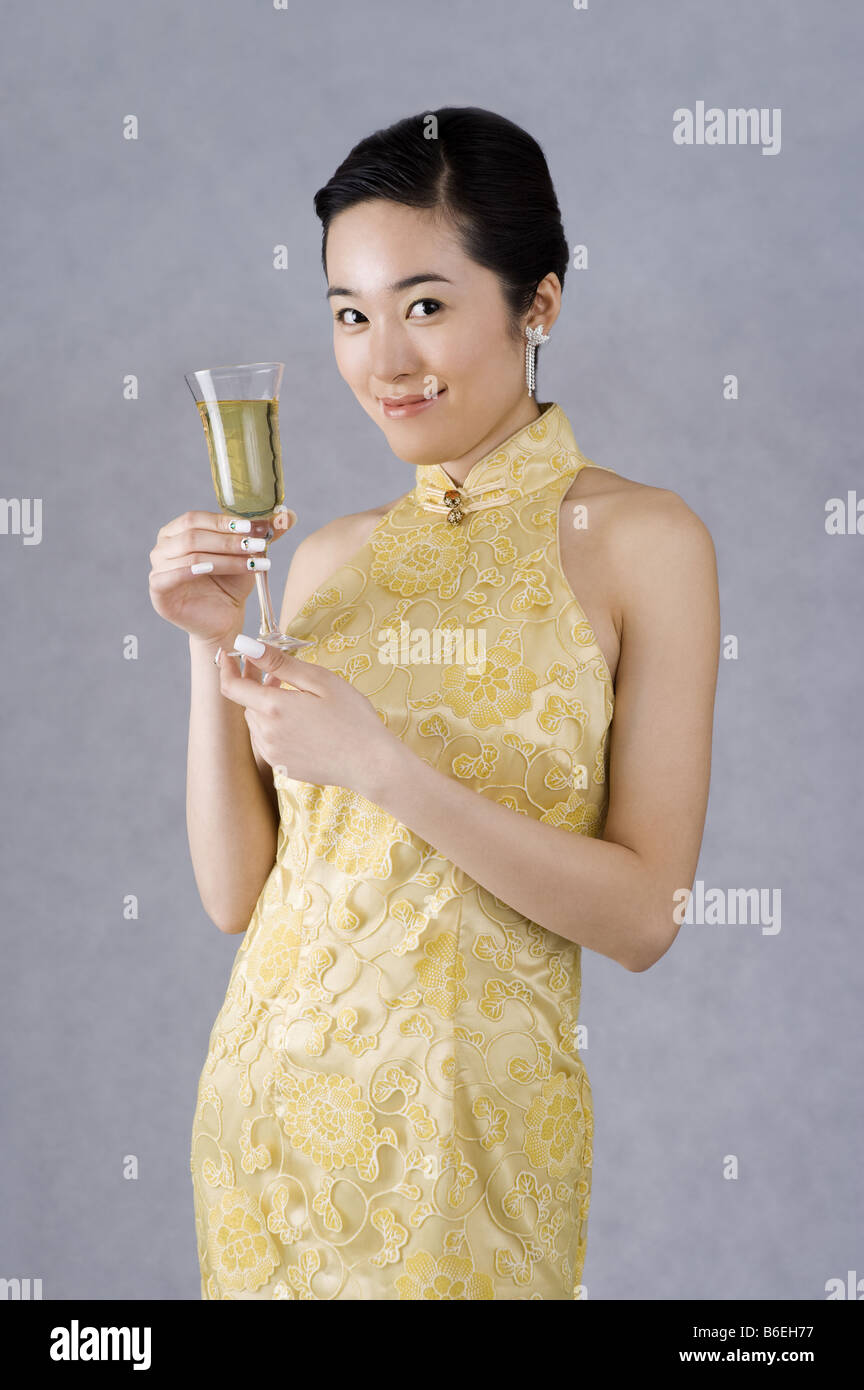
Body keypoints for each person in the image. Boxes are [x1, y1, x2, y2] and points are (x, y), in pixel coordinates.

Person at [149, 106, 720, 1300]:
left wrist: (386, 766)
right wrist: (210, 651)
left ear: (539, 304)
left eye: (424, 304)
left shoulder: (639, 540)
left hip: (469, 1149)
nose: (383, 360)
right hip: (267, 1124)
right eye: (351, 316)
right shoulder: (325, 560)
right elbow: (233, 895)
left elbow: (646, 915)